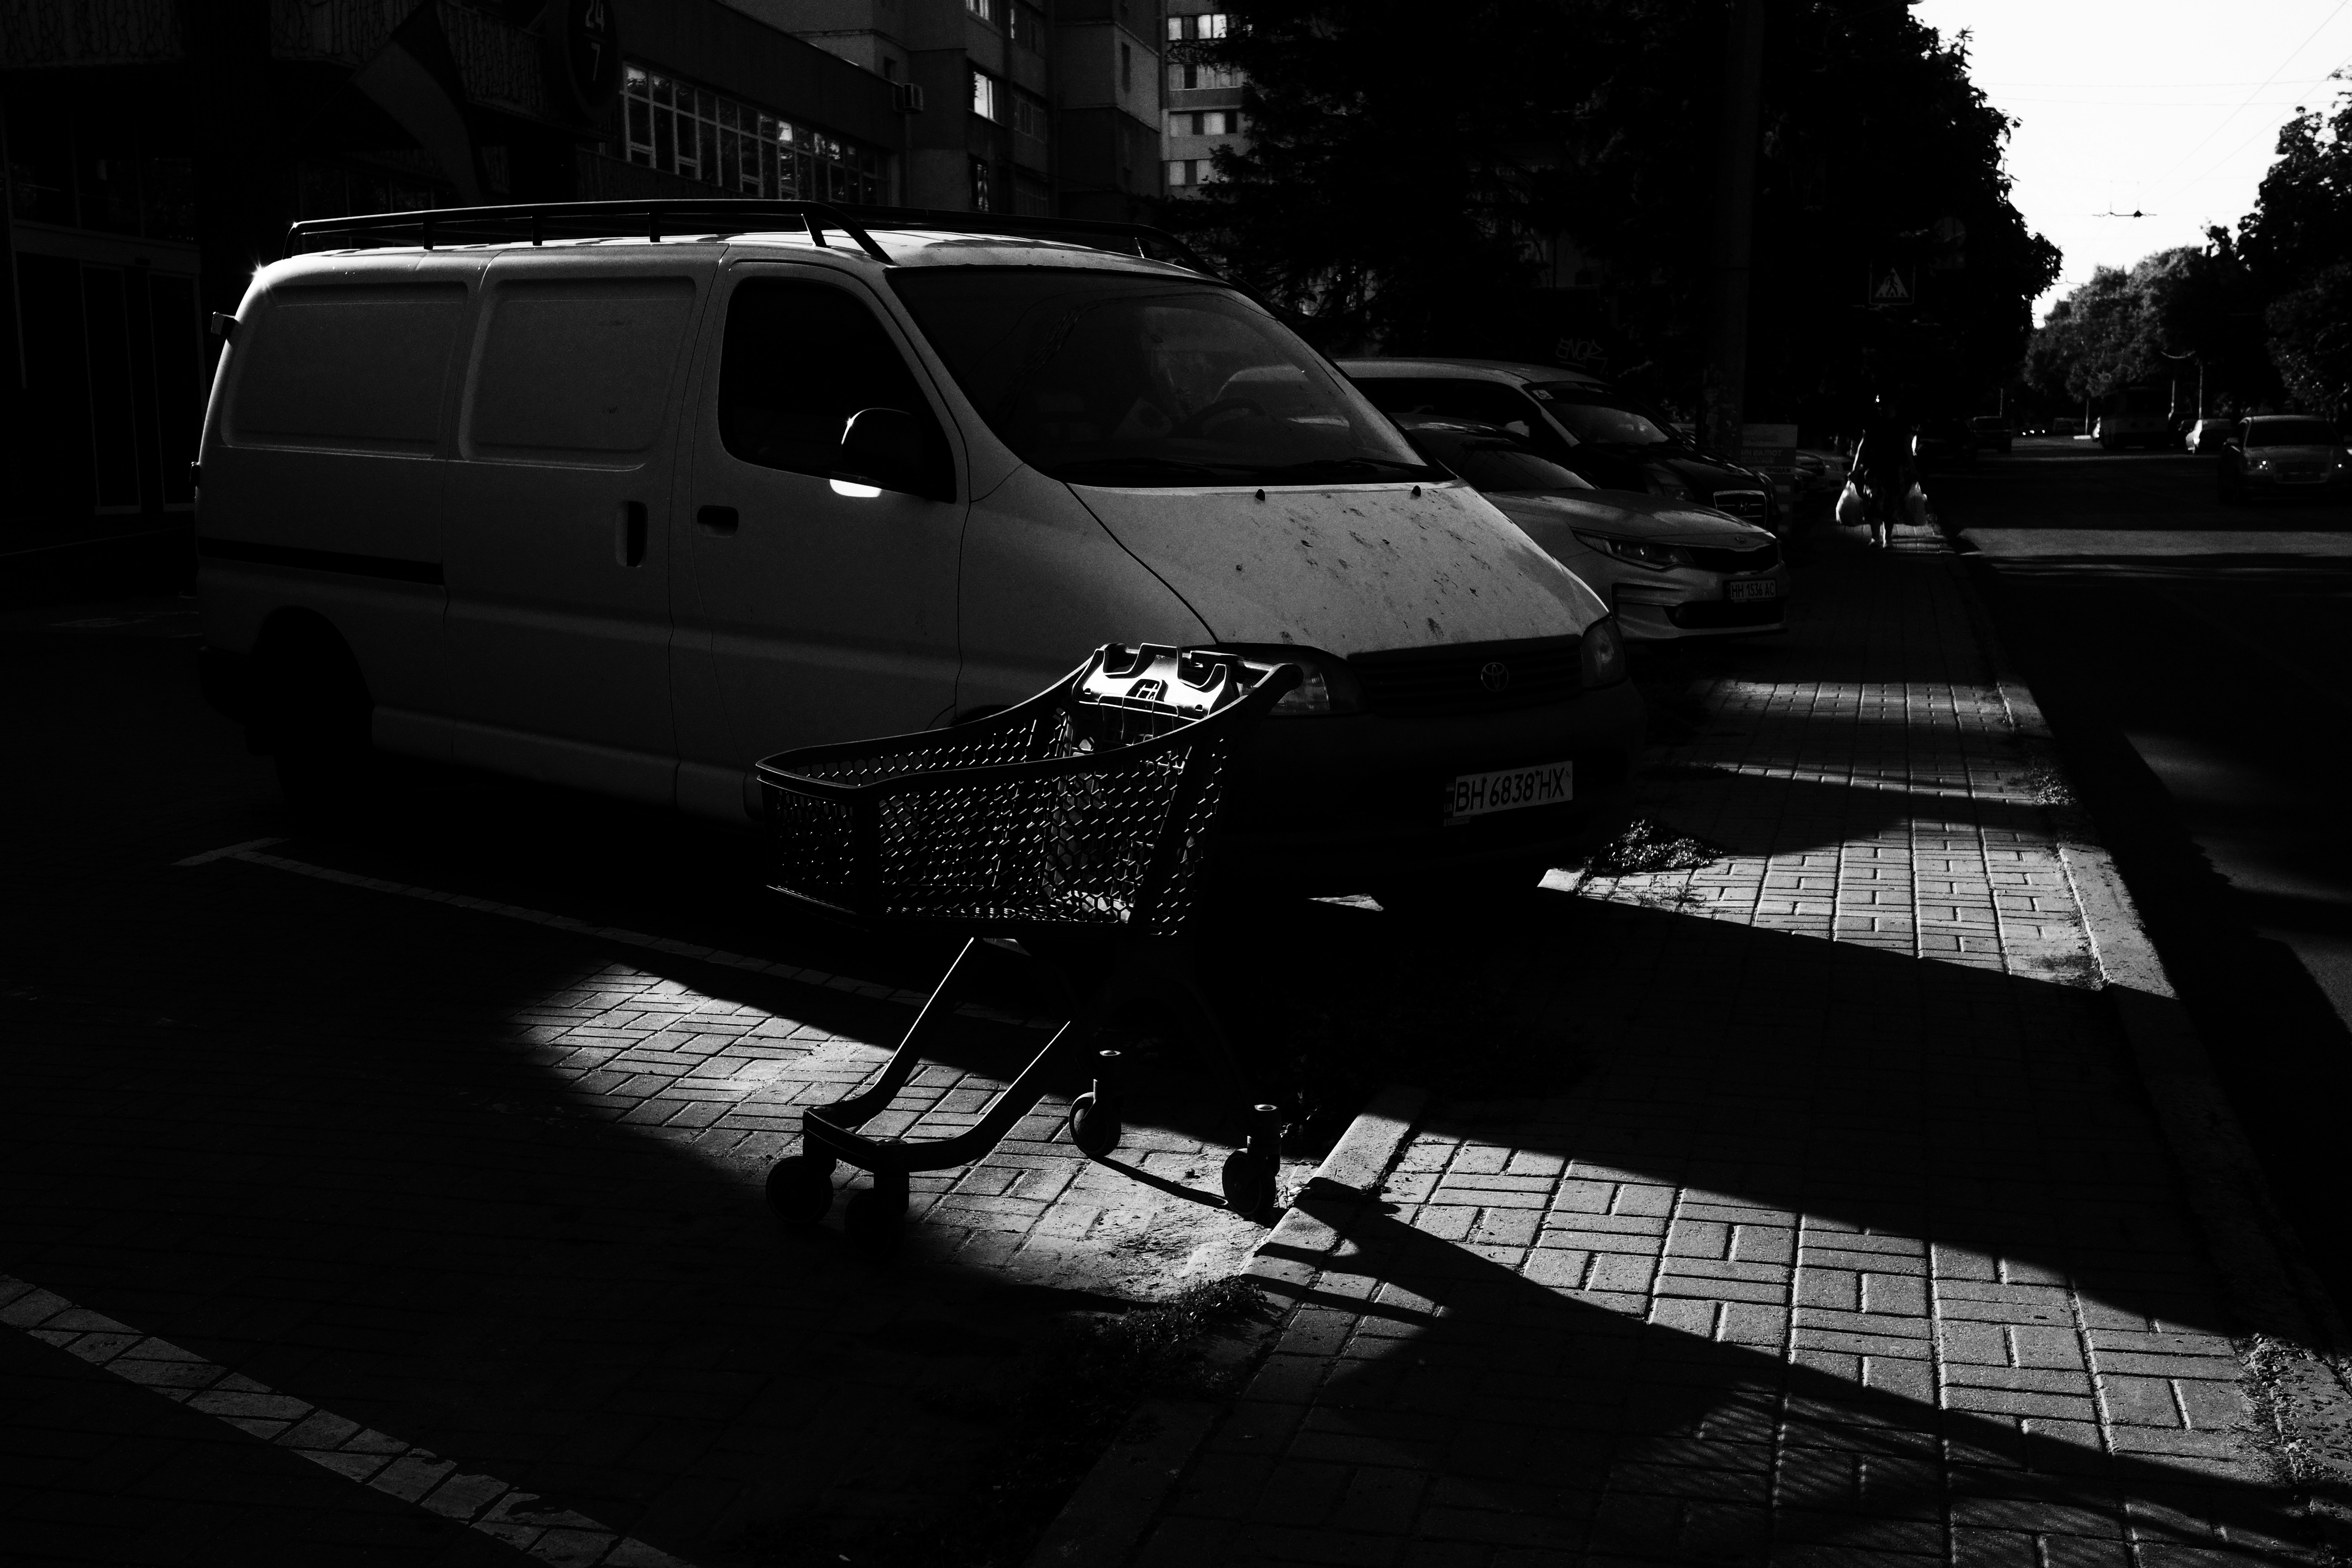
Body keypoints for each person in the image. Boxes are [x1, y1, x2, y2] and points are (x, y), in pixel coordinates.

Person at [1848, 397, 1917, 549]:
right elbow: (1863, 446)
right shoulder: (1873, 423)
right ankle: (1875, 537)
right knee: (1874, 501)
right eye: (1879, 407)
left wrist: (1912, 469)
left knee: (1891, 504)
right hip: (1874, 469)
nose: (1881, 409)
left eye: (1884, 406)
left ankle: (1888, 538)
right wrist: (1855, 468)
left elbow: (1907, 449)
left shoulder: (1902, 425)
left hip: (1895, 469)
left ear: (1893, 406)